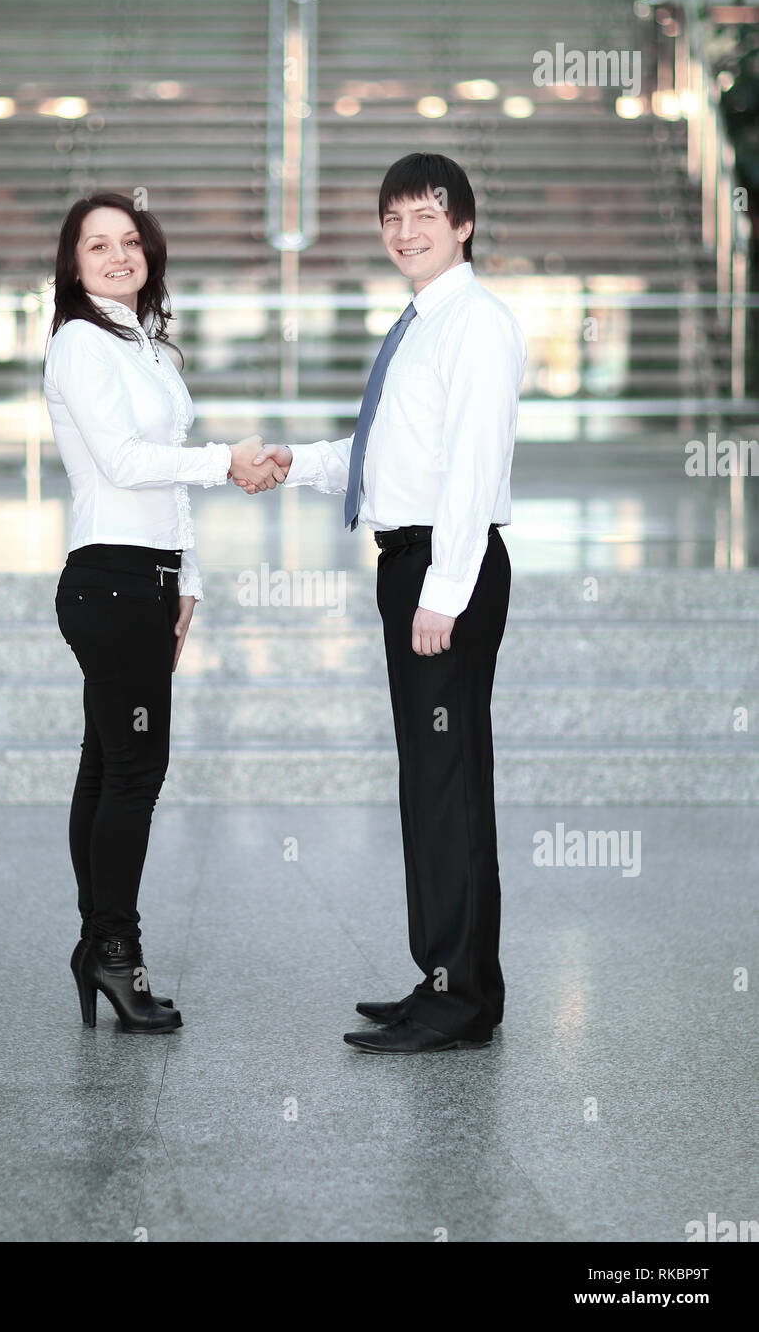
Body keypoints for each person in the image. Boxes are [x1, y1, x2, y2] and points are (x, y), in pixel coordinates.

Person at [246, 153, 527, 1054]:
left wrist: (443, 593)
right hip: (413, 561)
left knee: (447, 783)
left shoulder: (475, 324)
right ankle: (451, 983)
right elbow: (390, 454)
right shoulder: (421, 323)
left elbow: (471, 470)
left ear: (464, 225)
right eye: (393, 218)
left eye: (426, 216)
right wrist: (299, 462)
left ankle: (457, 1002)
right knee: (432, 781)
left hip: (446, 568)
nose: (406, 233)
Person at [43, 191, 283, 1034]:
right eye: (98, 245)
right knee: (135, 774)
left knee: (108, 767)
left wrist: (189, 581)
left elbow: (165, 476)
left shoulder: (141, 345)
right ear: (73, 264)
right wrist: (228, 461)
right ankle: (116, 953)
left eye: (130, 241)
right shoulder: (81, 342)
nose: (118, 256)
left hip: (143, 579)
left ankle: (97, 947)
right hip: (109, 581)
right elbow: (124, 461)